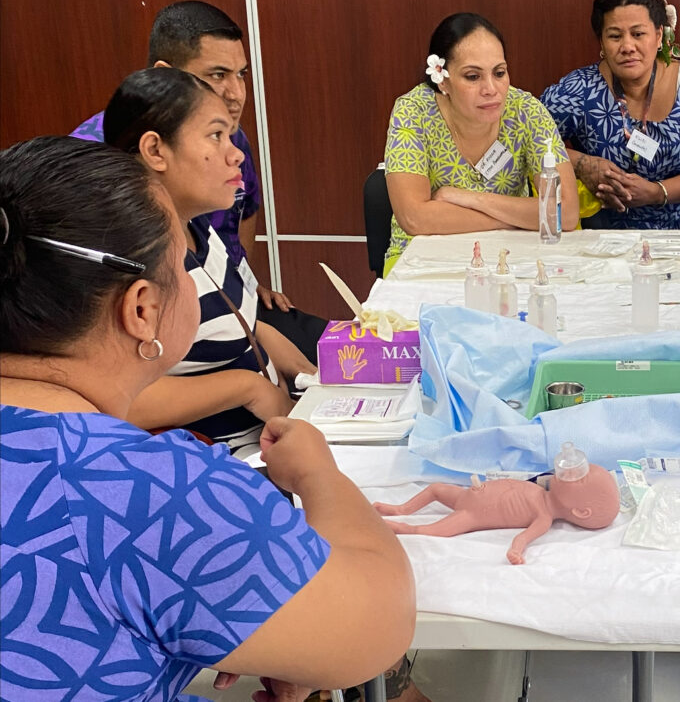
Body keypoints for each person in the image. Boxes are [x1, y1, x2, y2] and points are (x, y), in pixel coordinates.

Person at [0, 135, 416, 702]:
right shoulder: (140, 489)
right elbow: (377, 623)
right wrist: (318, 474)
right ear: (142, 309)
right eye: (183, 263)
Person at [71, 0, 328, 361]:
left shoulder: (231, 138)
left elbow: (245, 209)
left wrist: (242, 286)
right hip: (160, 341)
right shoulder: (91, 167)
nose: (236, 94)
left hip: (229, 307)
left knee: (361, 357)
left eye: (242, 75)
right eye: (218, 75)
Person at [103, 68, 312, 451]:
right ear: (154, 151)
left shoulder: (199, 230)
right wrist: (246, 389)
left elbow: (241, 320)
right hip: (219, 462)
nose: (236, 155)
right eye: (216, 136)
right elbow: (119, 399)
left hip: (275, 438)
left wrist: (311, 379)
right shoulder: (130, 265)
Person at [383, 12, 579, 274]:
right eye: (473, 77)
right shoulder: (413, 112)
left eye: (499, 73)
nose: (491, 88)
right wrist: (515, 220)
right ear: (443, 79)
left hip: (508, 258)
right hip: (423, 260)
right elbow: (415, 218)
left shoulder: (526, 111)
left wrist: (468, 199)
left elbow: (564, 213)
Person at [541, 0, 680, 229]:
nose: (627, 46)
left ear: (659, 35)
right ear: (601, 41)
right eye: (615, 36)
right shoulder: (579, 89)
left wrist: (657, 192)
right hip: (600, 242)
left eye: (638, 34)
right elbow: (530, 141)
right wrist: (582, 164)